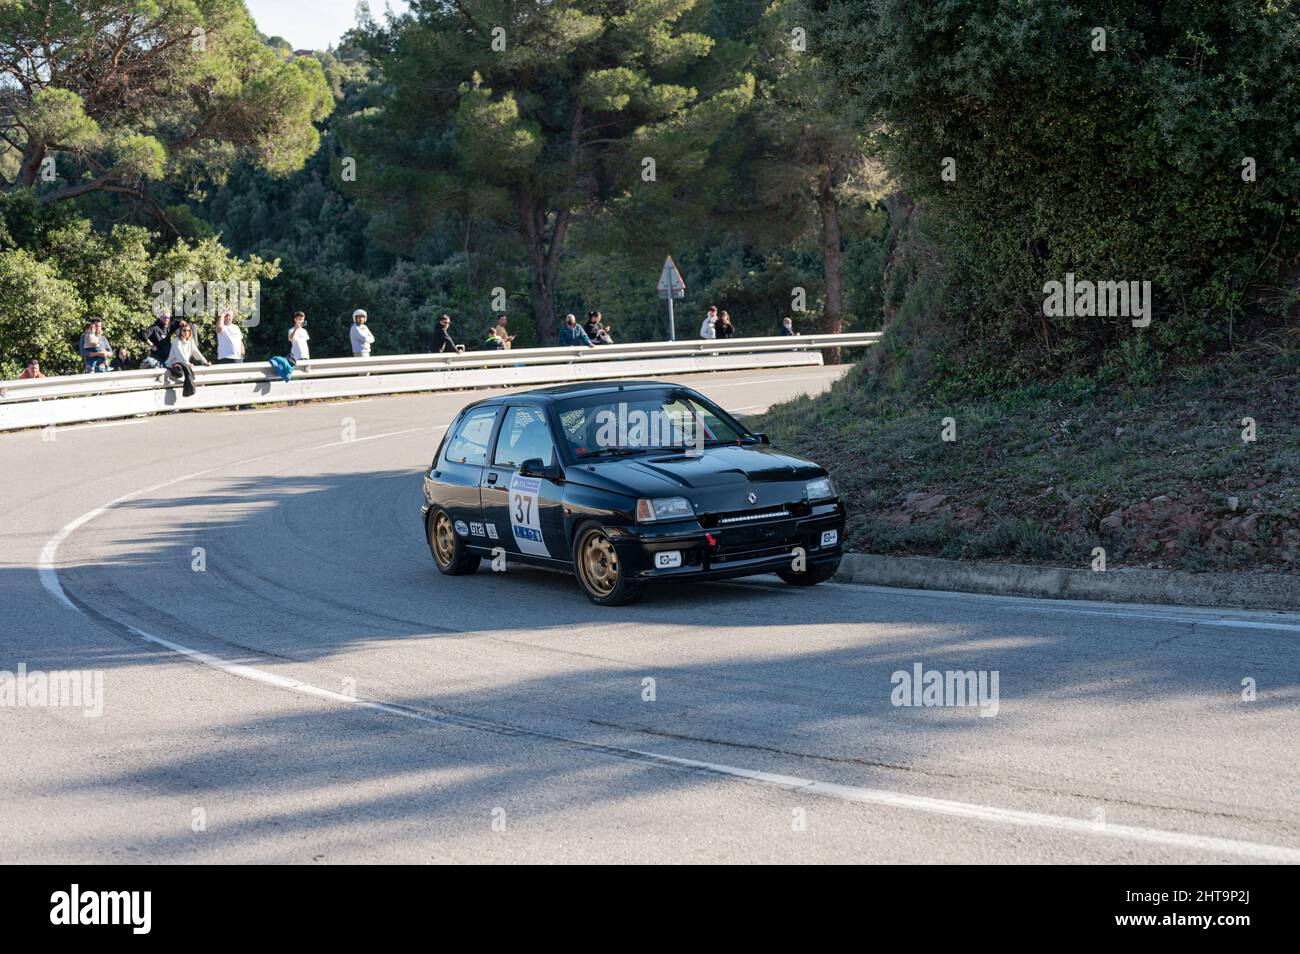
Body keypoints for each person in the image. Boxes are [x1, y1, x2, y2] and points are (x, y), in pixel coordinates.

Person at [165, 320, 210, 397]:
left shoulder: (190, 341)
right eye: (184, 330)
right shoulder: (177, 340)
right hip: (174, 363)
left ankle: (187, 391)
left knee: (186, 369)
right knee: (185, 369)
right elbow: (180, 355)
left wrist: (205, 362)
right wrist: (188, 364)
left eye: (188, 330)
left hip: (183, 364)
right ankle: (190, 389)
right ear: (181, 331)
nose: (186, 332)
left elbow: (196, 352)